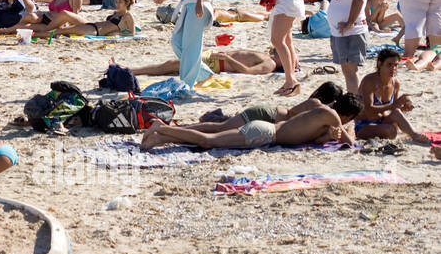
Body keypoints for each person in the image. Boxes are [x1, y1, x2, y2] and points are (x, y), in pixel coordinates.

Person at [140, 87, 362, 151]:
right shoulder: (331, 115)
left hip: (266, 129)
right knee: (210, 140)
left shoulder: (322, 114)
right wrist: (346, 134)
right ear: (348, 115)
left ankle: (161, 138)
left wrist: (327, 136)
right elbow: (350, 143)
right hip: (265, 133)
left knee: (212, 136)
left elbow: (314, 138)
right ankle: (161, 129)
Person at [357, 49, 430, 142]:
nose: (393, 68)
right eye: (389, 65)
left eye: (396, 65)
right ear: (379, 64)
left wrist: (403, 107)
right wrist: (394, 105)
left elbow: (391, 110)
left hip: (383, 121)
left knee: (395, 117)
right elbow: (368, 111)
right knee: (391, 130)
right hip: (364, 125)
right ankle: (410, 135)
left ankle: (414, 135)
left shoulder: (395, 83)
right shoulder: (369, 81)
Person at [130, 46, 279, 78]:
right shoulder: (267, 56)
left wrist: (227, 58)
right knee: (174, 64)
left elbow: (247, 71)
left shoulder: (270, 64)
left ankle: (134, 70)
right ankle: (135, 70)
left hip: (218, 63)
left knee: (173, 65)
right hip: (217, 57)